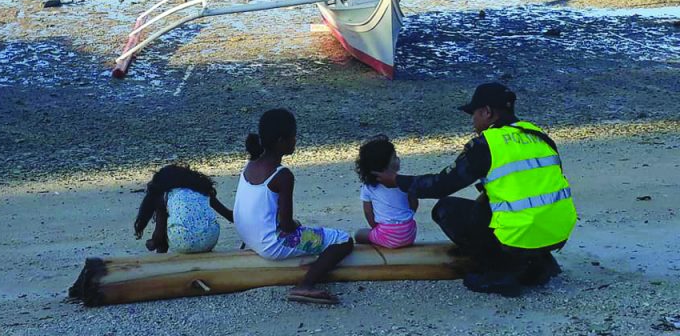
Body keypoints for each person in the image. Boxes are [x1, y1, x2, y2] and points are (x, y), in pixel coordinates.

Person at [373, 82, 577, 297]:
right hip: (558, 231)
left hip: (521, 235)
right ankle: (537, 259)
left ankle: (500, 272)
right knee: (494, 202)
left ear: (487, 112)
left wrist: (398, 181)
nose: (473, 121)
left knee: (446, 210)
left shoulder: (487, 144)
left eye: (474, 114)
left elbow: (442, 184)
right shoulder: (539, 136)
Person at [233, 108, 354, 304]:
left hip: (248, 236)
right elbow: (287, 225)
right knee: (343, 240)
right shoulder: (282, 175)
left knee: (308, 232)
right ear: (281, 141)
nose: (295, 140)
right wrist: (296, 225)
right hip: (270, 243)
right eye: (293, 136)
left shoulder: (251, 164)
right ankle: (306, 285)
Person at [134, 164, 233, 254]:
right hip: (210, 240)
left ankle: (162, 257)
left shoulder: (166, 196)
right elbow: (228, 215)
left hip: (182, 243)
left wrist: (153, 243)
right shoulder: (201, 190)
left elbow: (160, 233)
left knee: (166, 224)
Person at [353, 135, 418, 248]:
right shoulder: (404, 182)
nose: (398, 159)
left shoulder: (368, 187)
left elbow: (368, 212)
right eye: (394, 157)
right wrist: (408, 215)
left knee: (358, 234)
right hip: (409, 233)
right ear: (384, 165)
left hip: (386, 235)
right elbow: (414, 202)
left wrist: (376, 228)